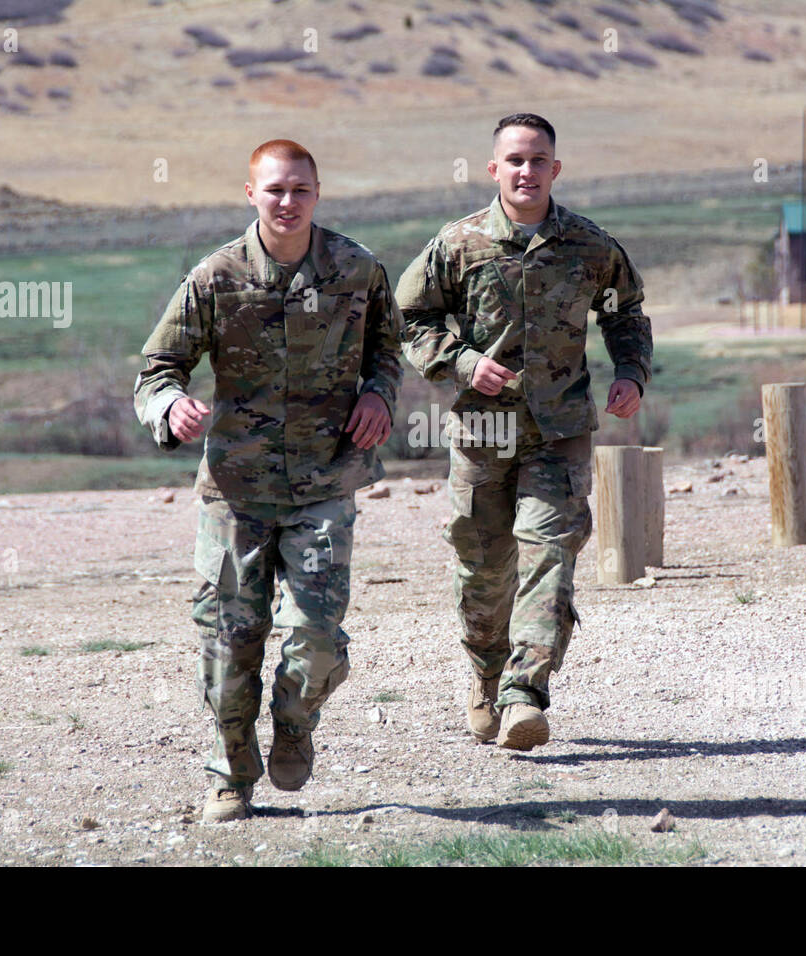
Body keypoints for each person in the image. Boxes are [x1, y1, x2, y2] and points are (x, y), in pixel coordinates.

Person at [134, 140, 402, 822]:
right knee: (228, 638)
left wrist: (378, 395)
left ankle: (294, 722)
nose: (288, 203)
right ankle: (231, 772)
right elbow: (159, 365)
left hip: (322, 484)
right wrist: (170, 405)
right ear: (251, 193)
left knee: (315, 636)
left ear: (319, 193)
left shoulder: (356, 269)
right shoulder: (216, 276)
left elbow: (389, 350)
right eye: (275, 190)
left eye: (300, 191)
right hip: (236, 491)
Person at [396, 113, 652, 752]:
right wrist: (461, 362)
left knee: (548, 554)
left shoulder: (590, 247)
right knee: (484, 571)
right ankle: (486, 677)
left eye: (538, 160)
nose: (526, 171)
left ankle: (524, 695)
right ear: (494, 169)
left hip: (560, 429)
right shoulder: (459, 245)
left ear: (555, 169)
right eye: (514, 160)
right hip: (484, 432)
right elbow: (409, 320)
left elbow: (628, 313)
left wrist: (632, 374)